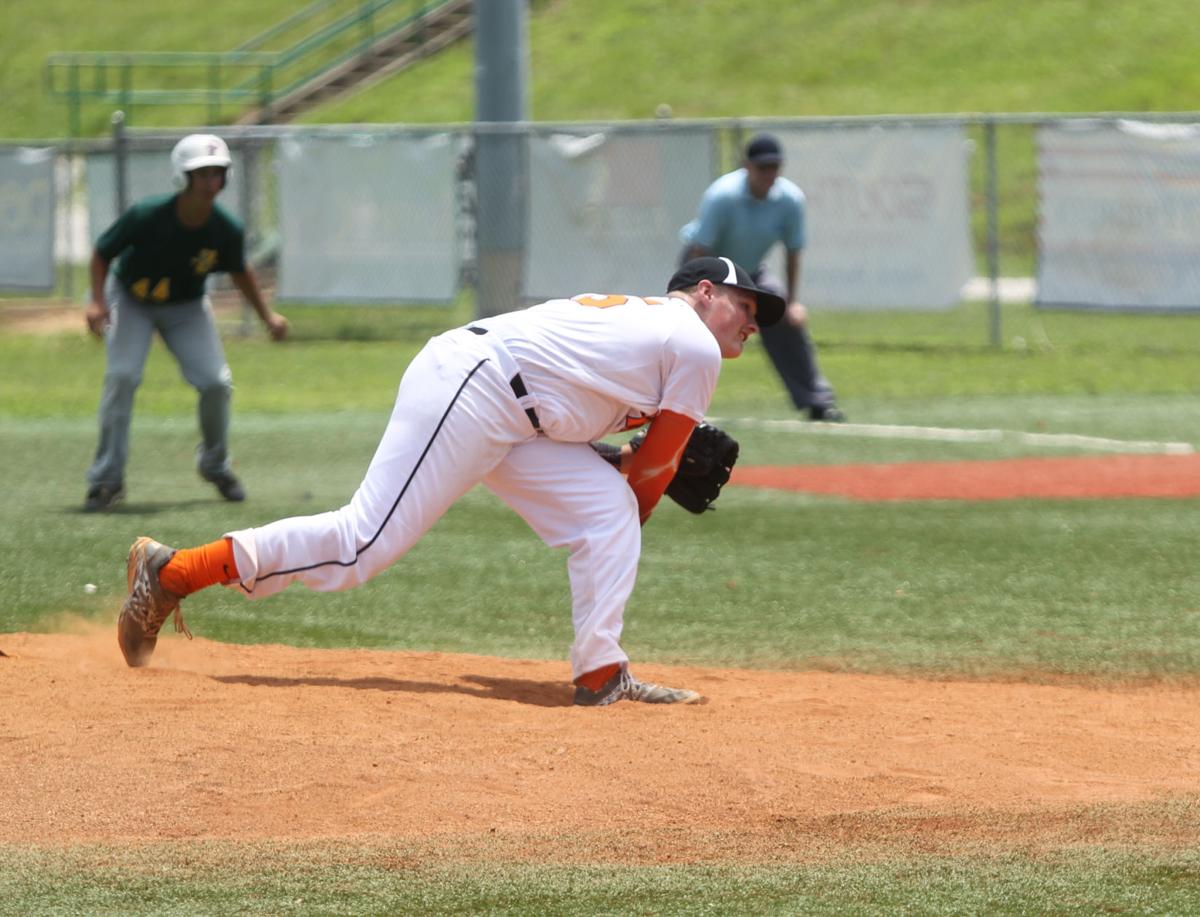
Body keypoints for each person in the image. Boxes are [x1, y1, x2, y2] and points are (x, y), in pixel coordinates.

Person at [115, 256, 783, 708]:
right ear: (704, 293)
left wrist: (622, 470)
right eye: (746, 304)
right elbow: (652, 479)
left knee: (605, 507)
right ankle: (173, 572)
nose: (753, 322)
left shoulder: (649, 330)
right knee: (361, 543)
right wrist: (641, 472)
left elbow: (583, 435)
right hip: (477, 384)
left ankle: (601, 671)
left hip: (513, 410)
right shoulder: (691, 343)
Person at [83, 133, 290, 512]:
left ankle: (214, 464)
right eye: (202, 173)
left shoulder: (224, 228)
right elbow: (101, 253)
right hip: (132, 300)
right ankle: (106, 480)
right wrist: (98, 302)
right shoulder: (147, 215)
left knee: (216, 382)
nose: (211, 182)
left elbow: (240, 269)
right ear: (183, 177)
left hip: (186, 307)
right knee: (122, 377)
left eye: (217, 173)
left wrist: (267, 317)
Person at [680, 133, 844, 421]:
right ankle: (679, 403)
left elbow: (793, 250)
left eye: (774, 167)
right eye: (762, 167)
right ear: (747, 166)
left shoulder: (789, 199)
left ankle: (817, 400)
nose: (768, 174)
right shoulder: (723, 196)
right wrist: (696, 297)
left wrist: (792, 302)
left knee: (782, 315)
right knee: (693, 332)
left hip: (749, 271)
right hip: (706, 269)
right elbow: (699, 249)